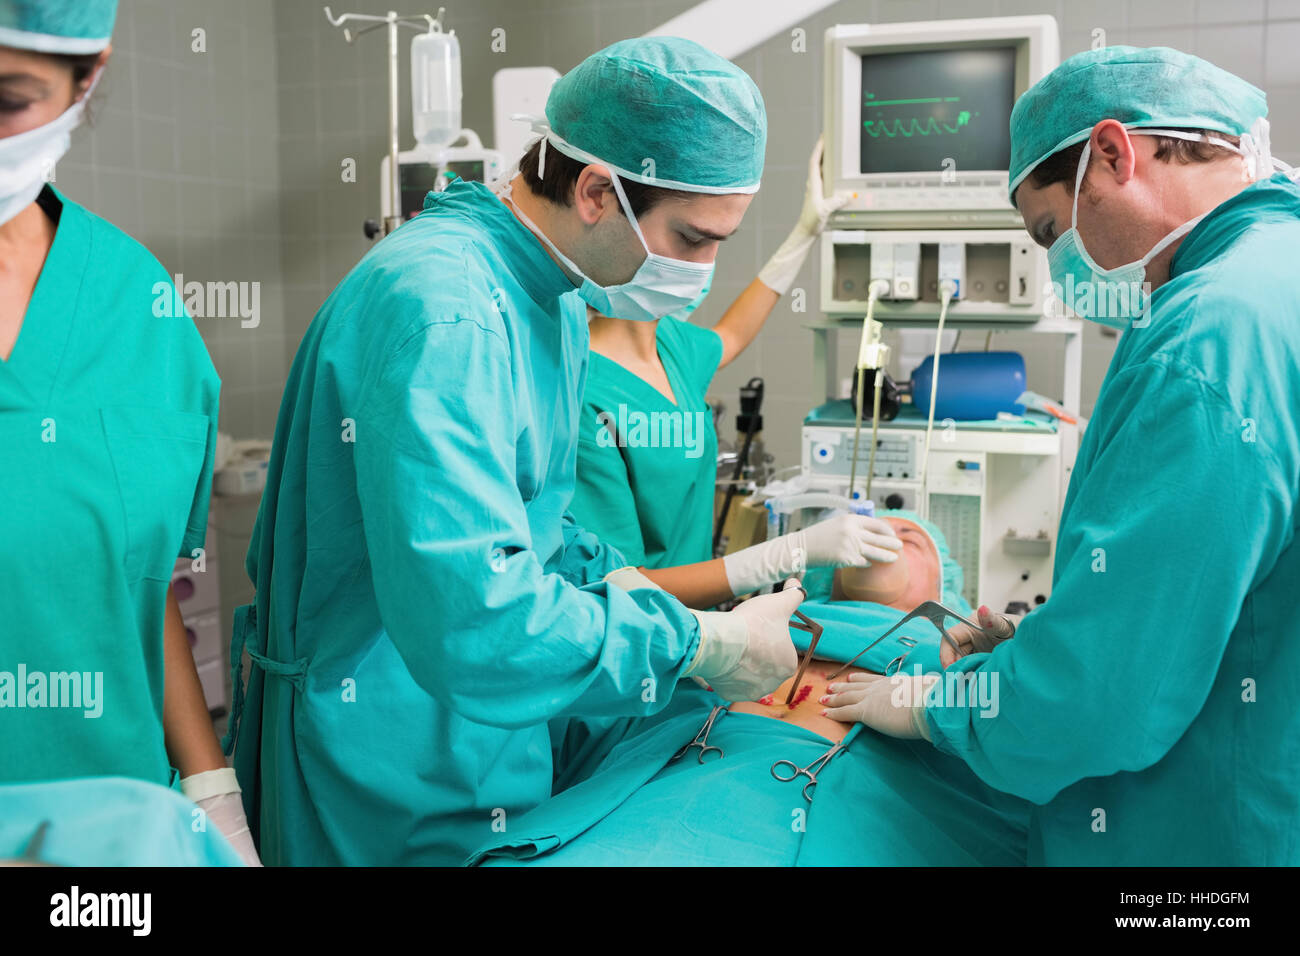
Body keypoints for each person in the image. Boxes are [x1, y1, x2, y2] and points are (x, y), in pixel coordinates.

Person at [226, 37, 810, 866]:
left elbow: (538, 527)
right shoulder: (447, 312)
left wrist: (661, 597)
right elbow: (476, 615)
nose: (706, 273)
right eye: (691, 238)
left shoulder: (555, 297)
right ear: (599, 190)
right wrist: (696, 647)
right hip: (387, 749)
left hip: (481, 733)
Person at [824, 46, 1300, 865]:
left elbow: (1109, 692)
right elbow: (1198, 603)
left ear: (1114, 154)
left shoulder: (1205, 337)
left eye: (1053, 231)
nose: (1062, 266)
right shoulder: (1273, 279)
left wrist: (942, 709)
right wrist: (1044, 651)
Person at [0, 0, 256, 865]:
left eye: (6, 99)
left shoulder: (137, 303)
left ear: (88, 76)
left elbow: (139, 603)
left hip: (111, 854)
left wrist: (213, 796)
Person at [469, 512, 1033, 866]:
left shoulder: (968, 656)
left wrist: (995, 679)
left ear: (945, 590)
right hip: (667, 801)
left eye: (914, 537)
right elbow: (593, 677)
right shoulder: (750, 624)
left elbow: (1052, 743)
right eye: (880, 521)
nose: (892, 528)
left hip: (845, 820)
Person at [568, 136, 902, 607]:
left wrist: (804, 232)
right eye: (692, 238)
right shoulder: (582, 390)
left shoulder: (673, 345)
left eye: (718, 242)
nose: (706, 261)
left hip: (689, 636)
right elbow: (619, 587)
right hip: (638, 644)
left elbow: (734, 332)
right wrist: (782, 554)